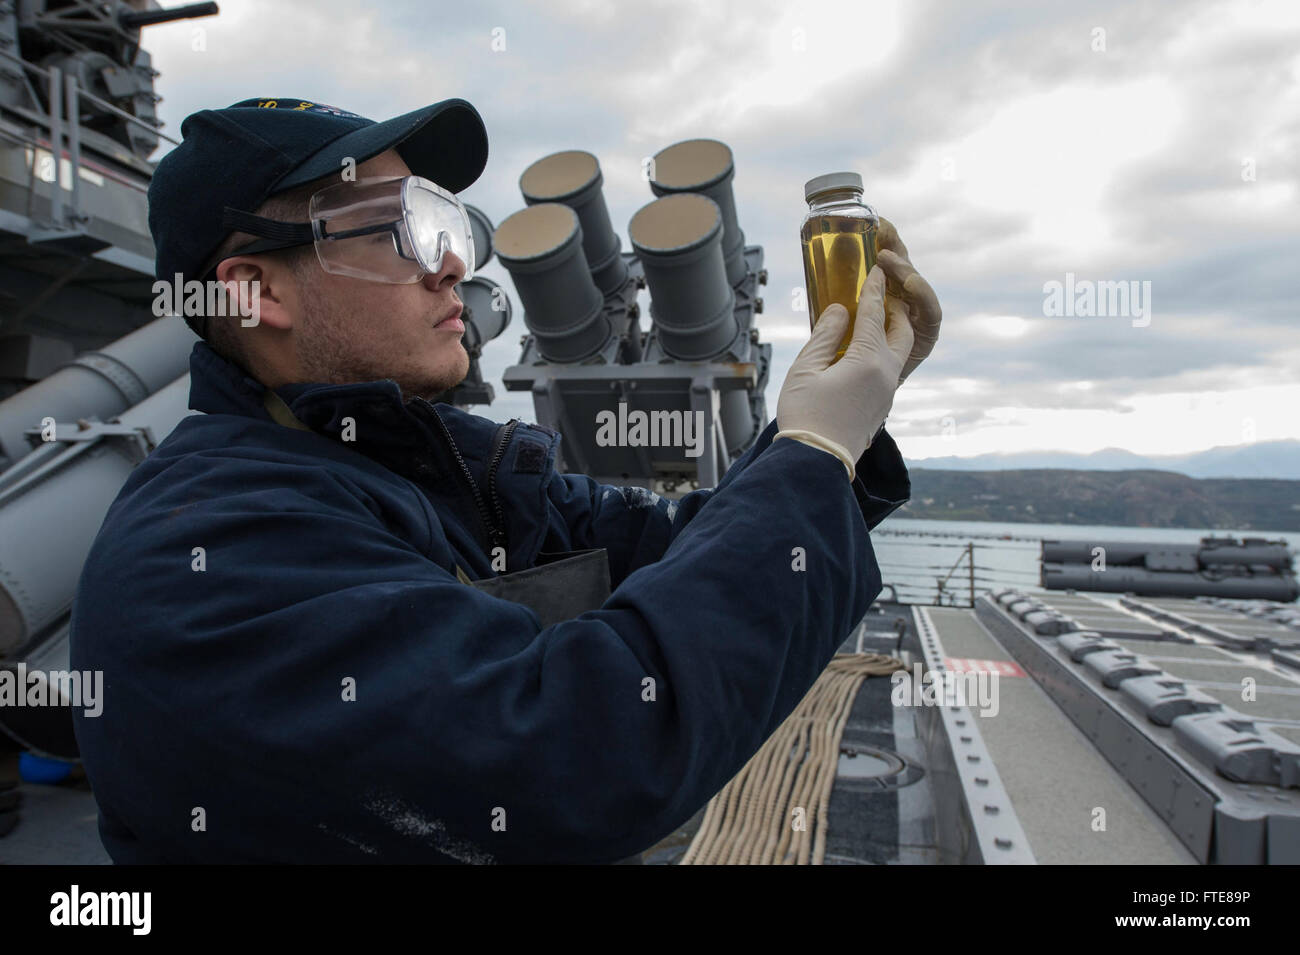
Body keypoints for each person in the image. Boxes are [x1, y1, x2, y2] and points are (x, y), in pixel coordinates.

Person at [68, 96, 942, 864]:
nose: (453, 264)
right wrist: (812, 455)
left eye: (451, 225)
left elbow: (671, 550)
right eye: (405, 225)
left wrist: (834, 436)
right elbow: (581, 751)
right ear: (256, 292)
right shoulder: (208, 558)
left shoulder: (438, 467)